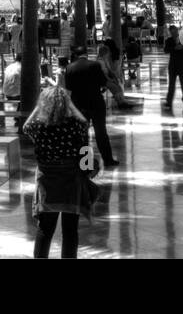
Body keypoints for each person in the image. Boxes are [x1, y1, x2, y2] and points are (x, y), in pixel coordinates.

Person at [22, 84, 97, 258]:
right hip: (72, 181)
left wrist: (39, 106)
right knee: (70, 230)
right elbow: (85, 148)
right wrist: (70, 104)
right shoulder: (77, 125)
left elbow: (26, 126)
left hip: (47, 181)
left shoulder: (39, 126)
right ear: (67, 103)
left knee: (45, 229)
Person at [64, 46, 117, 167]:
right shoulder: (94, 65)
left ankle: (85, 162)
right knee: (101, 132)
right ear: (86, 54)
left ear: (76, 55)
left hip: (79, 104)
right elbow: (103, 82)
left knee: (83, 134)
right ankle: (108, 160)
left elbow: (68, 88)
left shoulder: (69, 67)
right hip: (96, 103)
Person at [163, 25, 183, 115]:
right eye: (172, 32)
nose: (174, 33)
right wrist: (174, 48)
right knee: (171, 85)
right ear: (170, 32)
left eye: (175, 31)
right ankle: (169, 102)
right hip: (173, 66)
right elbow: (166, 50)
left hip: (182, 66)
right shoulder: (169, 40)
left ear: (177, 31)